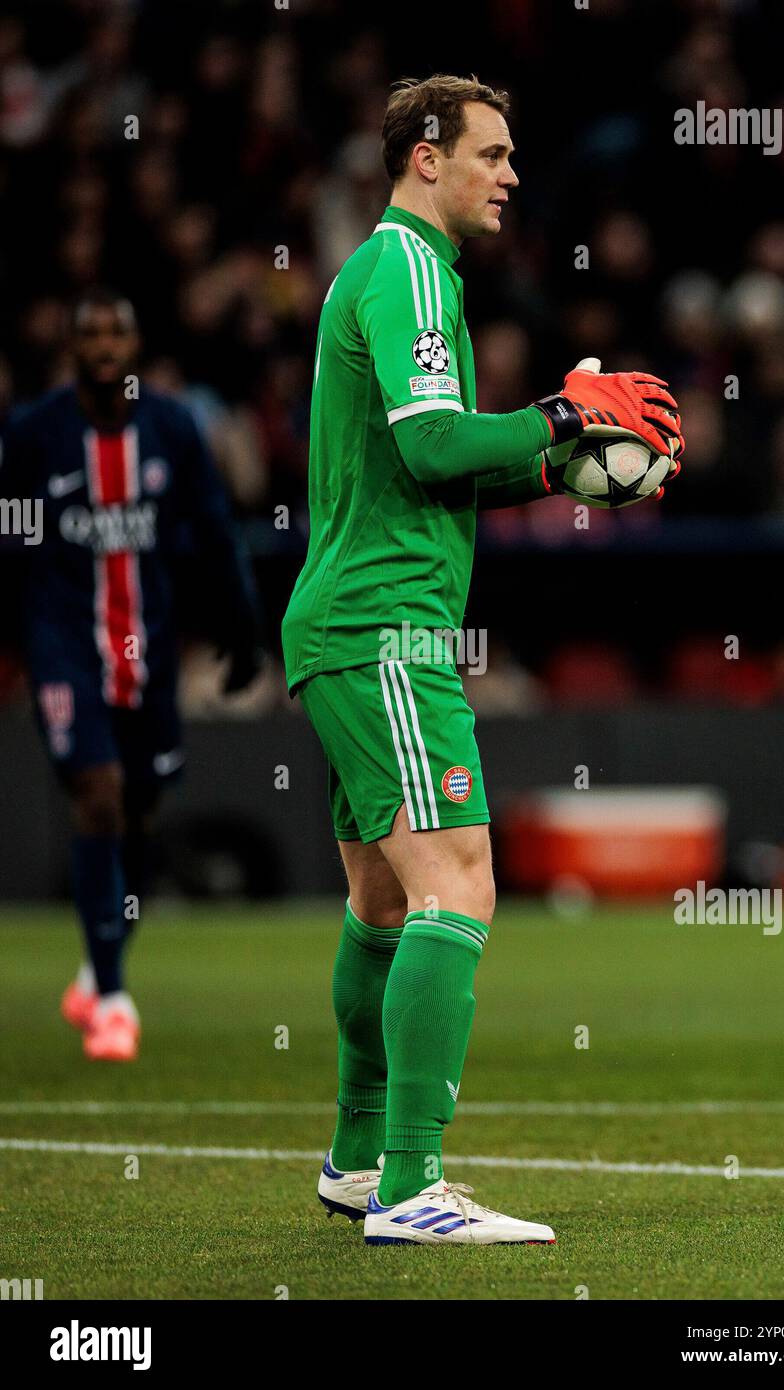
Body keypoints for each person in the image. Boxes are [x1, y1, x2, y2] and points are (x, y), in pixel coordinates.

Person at [281, 75, 683, 1244]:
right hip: (386, 624)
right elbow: (441, 443)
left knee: (383, 902)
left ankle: (361, 1162)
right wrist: (564, 420)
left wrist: (563, 465)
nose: (510, 175)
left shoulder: (405, 274)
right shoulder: (406, 270)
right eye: (492, 154)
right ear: (423, 157)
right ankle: (411, 1186)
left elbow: (439, 462)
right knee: (457, 880)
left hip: (348, 621)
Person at [0, 289, 262, 1061]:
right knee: (100, 798)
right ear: (73, 348)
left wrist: (241, 627)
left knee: (143, 813)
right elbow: (9, 536)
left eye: (120, 329)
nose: (107, 343)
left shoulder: (172, 427)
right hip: (64, 645)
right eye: (93, 332)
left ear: (138, 344)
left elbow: (214, 531)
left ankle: (99, 967)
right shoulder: (35, 435)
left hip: (147, 644)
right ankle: (113, 1001)